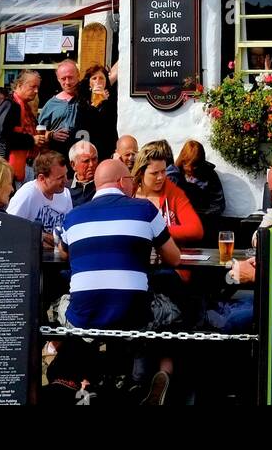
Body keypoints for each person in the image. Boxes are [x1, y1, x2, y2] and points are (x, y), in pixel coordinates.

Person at [58, 159, 183, 404]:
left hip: (85, 319)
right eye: (131, 180)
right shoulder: (145, 209)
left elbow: (64, 253)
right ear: (121, 182)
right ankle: (152, 376)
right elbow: (175, 258)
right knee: (174, 310)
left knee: (59, 305)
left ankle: (84, 380)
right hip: (135, 315)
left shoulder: (73, 217)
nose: (133, 185)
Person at [132, 142, 202, 244]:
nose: (161, 177)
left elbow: (196, 230)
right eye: (154, 173)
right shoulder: (128, 193)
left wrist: (154, 231)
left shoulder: (173, 193)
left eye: (163, 171)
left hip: (168, 257)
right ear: (141, 172)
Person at [7, 150, 73, 239]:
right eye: (60, 178)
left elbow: (69, 231)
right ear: (42, 178)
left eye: (65, 175)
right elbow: (9, 228)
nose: (66, 181)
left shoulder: (65, 193)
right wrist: (41, 237)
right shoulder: (27, 194)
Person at [0, 70, 41, 183]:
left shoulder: (24, 106)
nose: (36, 91)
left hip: (26, 166)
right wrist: (32, 139)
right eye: (33, 86)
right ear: (20, 85)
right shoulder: (10, 104)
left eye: (38, 87)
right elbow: (1, 135)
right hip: (11, 168)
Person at [170, 141, 225, 223]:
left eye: (195, 165)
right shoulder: (173, 174)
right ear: (182, 160)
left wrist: (198, 216)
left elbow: (218, 204)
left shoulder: (209, 175)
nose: (190, 169)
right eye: (186, 164)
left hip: (203, 224)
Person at [77, 63, 118, 162]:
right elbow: (84, 126)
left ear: (106, 82)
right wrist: (96, 103)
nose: (98, 81)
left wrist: (104, 102)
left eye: (101, 78)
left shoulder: (112, 102)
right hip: (88, 150)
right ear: (89, 83)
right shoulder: (82, 103)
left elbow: (109, 126)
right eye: (94, 78)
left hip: (107, 150)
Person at [37, 60, 80, 148]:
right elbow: (39, 133)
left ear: (78, 75)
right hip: (57, 155)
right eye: (63, 79)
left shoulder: (87, 99)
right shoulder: (51, 104)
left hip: (83, 154)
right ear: (58, 79)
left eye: (70, 77)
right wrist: (52, 135)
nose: (67, 82)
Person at [67, 141, 99, 207]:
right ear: (73, 165)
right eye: (86, 161)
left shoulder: (103, 186)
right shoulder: (64, 190)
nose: (91, 164)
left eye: (94, 159)